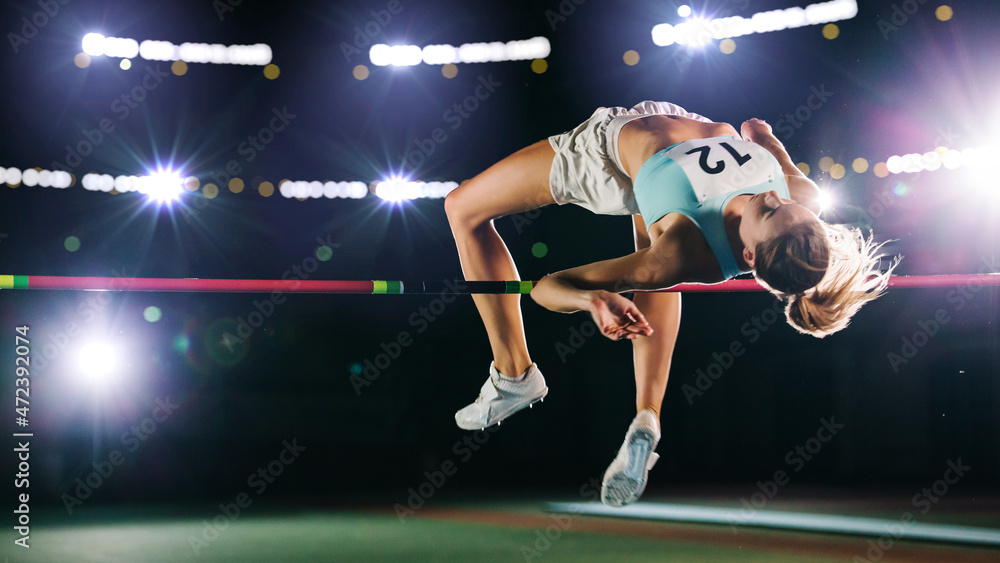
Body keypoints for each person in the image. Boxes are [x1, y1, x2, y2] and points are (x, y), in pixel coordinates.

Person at [443, 101, 895, 507]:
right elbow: (770, 151)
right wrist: (764, 138)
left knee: (462, 207)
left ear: (752, 256)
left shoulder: (681, 250)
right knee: (658, 263)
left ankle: (513, 371)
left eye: (770, 211)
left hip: (608, 157)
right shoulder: (802, 201)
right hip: (668, 145)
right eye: (788, 204)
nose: (776, 196)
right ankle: (646, 418)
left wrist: (592, 299)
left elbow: (547, 286)